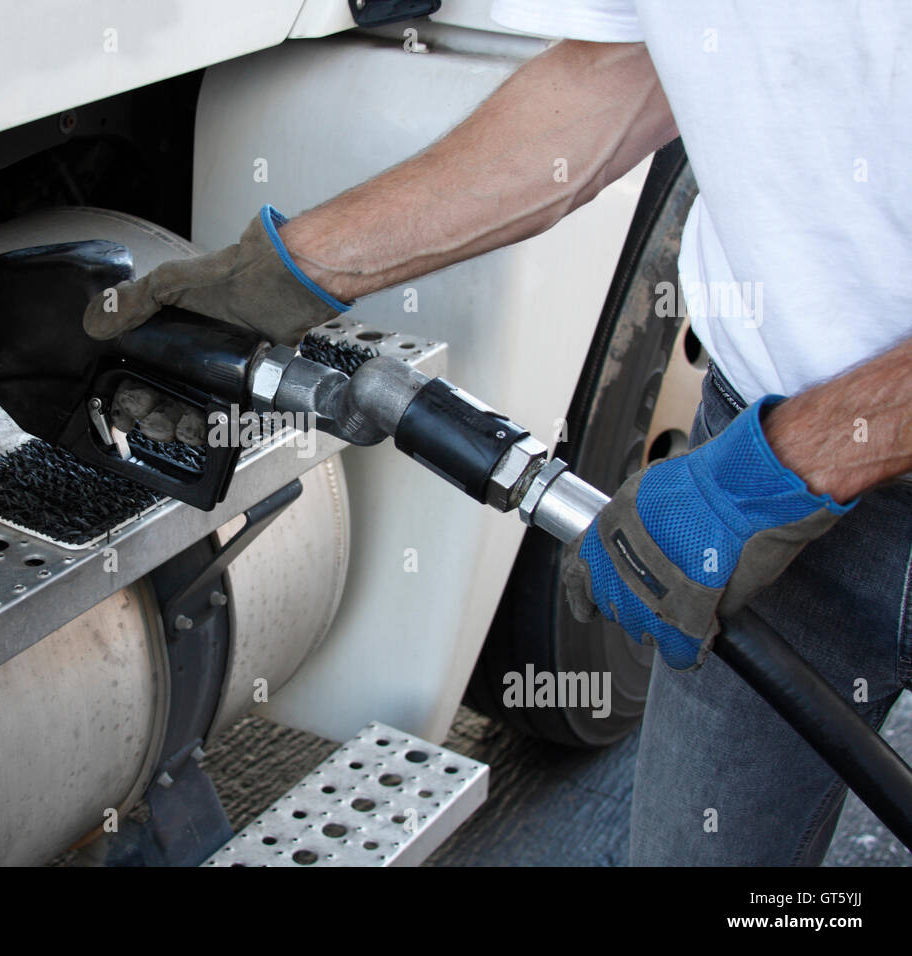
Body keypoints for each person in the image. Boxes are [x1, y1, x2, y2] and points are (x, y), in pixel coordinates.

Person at [83, 1, 912, 865]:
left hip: (763, 483)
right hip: (760, 484)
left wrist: (783, 467)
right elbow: (619, 75)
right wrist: (287, 273)